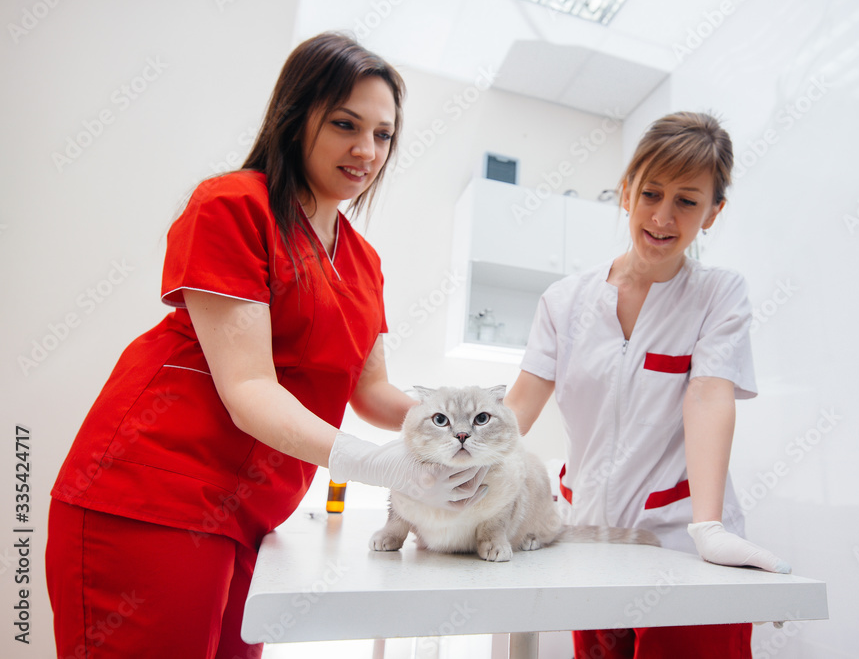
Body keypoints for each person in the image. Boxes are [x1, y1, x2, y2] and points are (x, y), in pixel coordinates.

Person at [45, 32, 486, 659]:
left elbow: (370, 392)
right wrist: (377, 465)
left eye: (384, 134)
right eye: (345, 124)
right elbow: (250, 386)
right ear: (295, 116)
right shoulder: (234, 205)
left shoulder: (363, 262)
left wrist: (461, 428)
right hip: (154, 495)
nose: (366, 151)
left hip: (252, 517)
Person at [504, 111, 789, 659]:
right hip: (590, 542)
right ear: (626, 192)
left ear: (712, 213)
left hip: (681, 543)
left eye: (687, 201)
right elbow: (518, 407)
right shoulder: (564, 302)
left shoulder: (718, 296)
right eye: (651, 193)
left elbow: (708, 395)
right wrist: (456, 475)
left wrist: (708, 528)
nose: (662, 216)